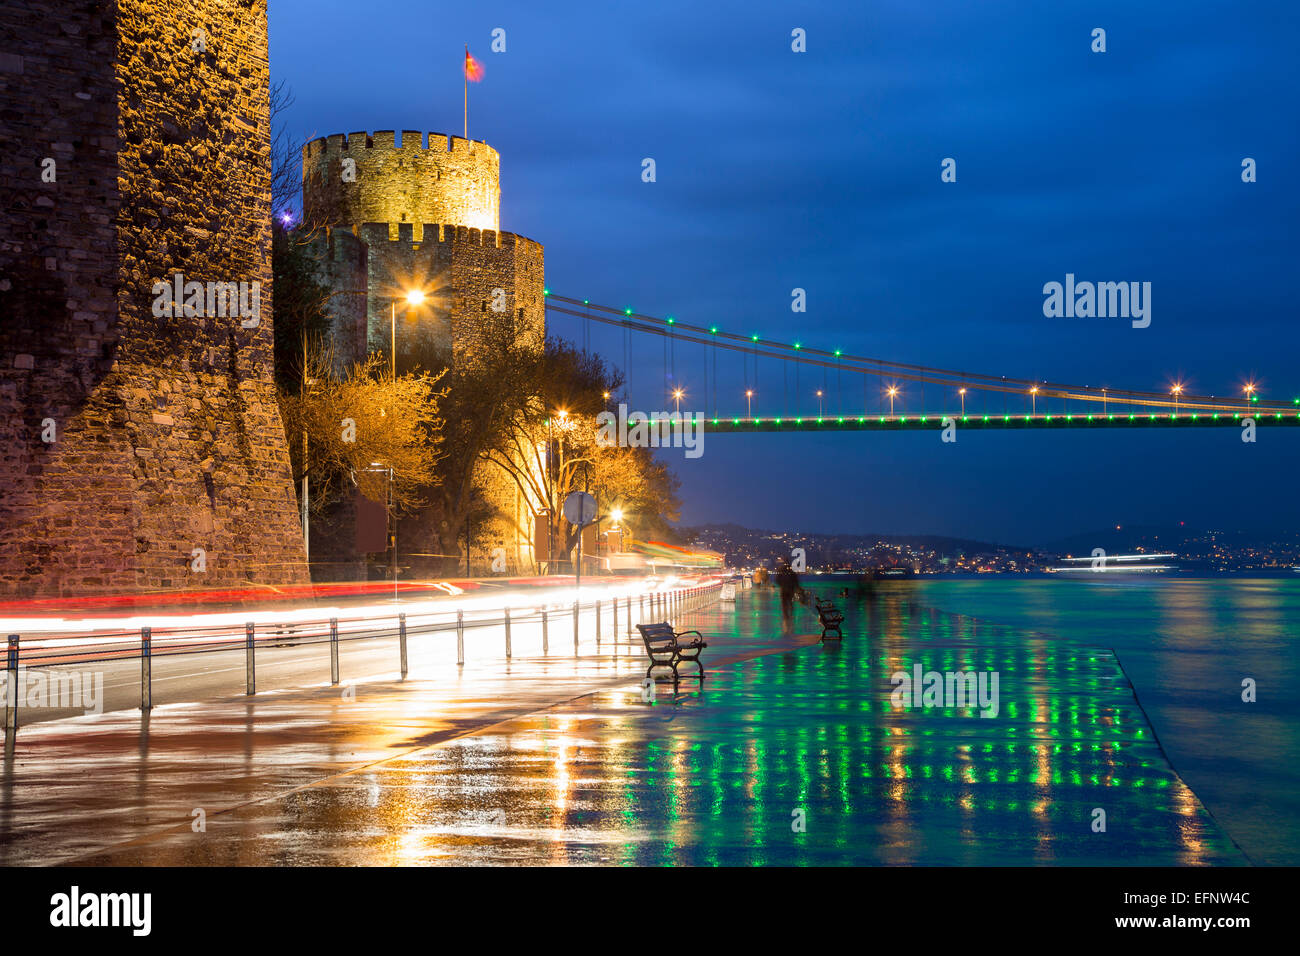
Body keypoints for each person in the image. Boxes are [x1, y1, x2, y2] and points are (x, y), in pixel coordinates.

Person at [775, 560, 800, 629]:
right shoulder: (792, 572)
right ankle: (790, 614)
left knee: (784, 604)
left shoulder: (781, 571)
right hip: (790, 590)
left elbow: (777, 580)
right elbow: (796, 581)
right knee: (790, 602)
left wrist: (782, 585)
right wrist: (797, 588)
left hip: (784, 590)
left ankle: (786, 615)